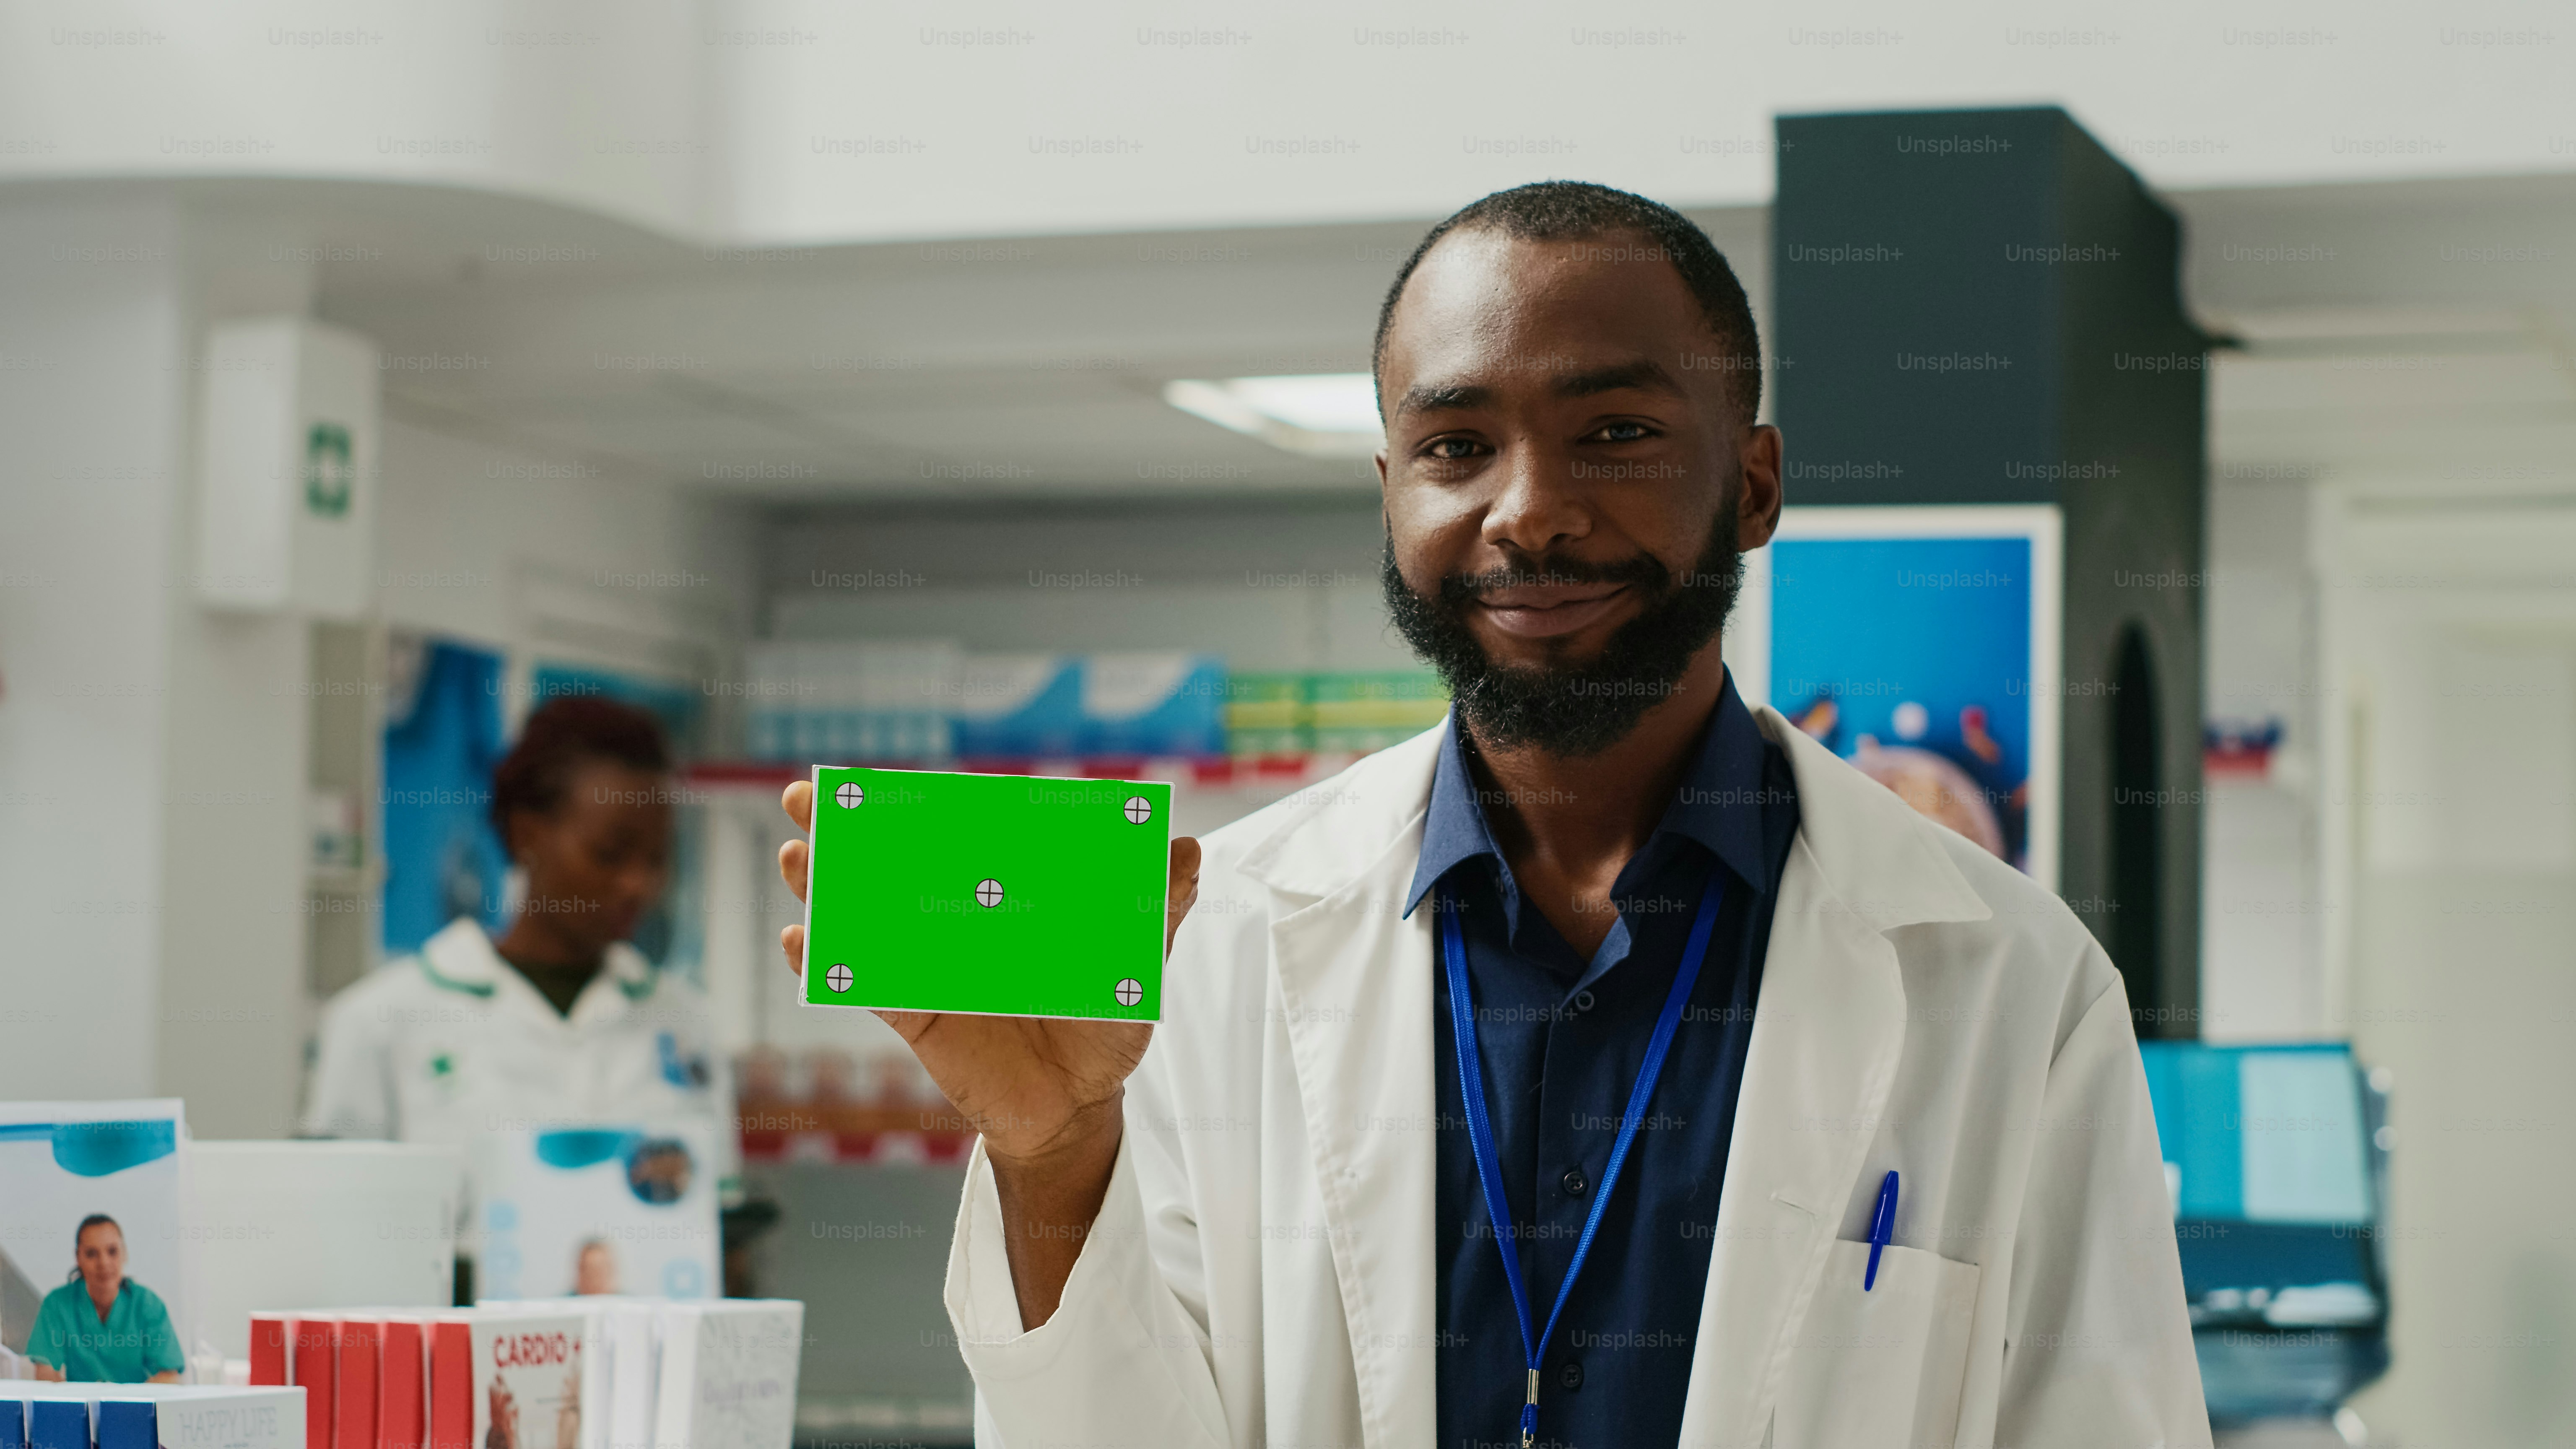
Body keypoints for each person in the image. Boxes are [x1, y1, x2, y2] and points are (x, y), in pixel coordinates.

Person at [779, 181, 2209, 1448]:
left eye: (1618, 432)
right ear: (1389, 492)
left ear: (1755, 484)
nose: (1530, 511)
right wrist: (1050, 1159)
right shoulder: (1208, 944)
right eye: (1456, 445)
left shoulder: (2007, 979)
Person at [305, 696, 737, 1290]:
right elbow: (329, 1250)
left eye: (657, 858)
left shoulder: (685, 1024)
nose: (639, 883)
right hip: (455, 1372)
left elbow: (724, 1239)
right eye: (609, 853)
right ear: (528, 834)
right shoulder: (380, 1021)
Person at [24, 1215, 184, 1383]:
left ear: (125, 1254)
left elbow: (169, 1375)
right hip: (81, 1408)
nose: (104, 1263)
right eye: (92, 1254)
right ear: (78, 1258)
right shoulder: (57, 1305)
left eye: (112, 1251)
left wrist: (131, 1407)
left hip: (136, 1407)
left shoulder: (148, 1305)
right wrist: (77, 1407)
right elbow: (45, 1373)